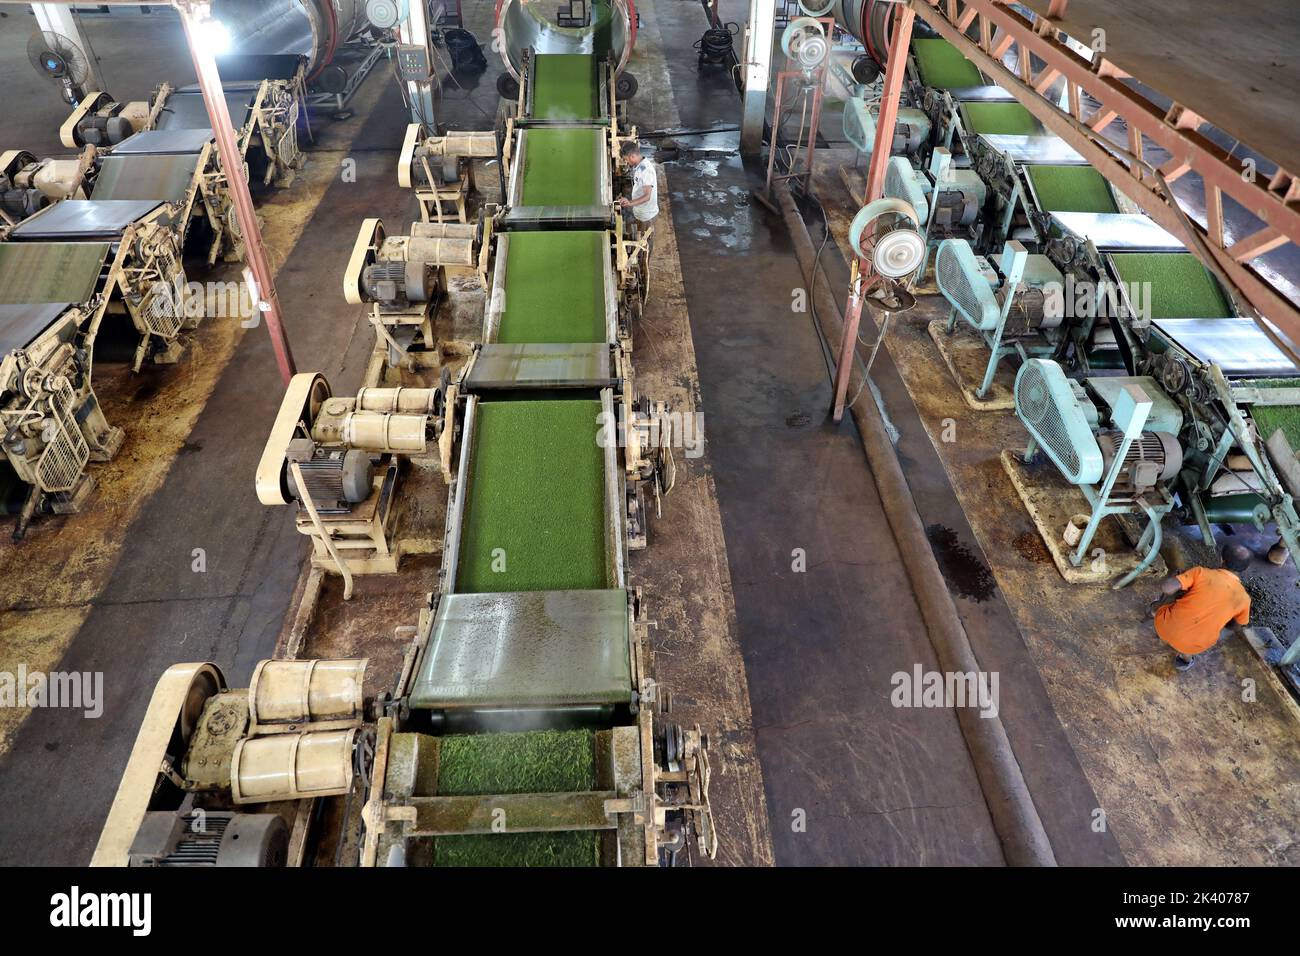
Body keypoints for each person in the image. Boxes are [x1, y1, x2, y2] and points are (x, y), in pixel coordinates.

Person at [1147, 543, 1252, 671]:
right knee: (1193, 643)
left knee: (1178, 590)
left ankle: (1154, 611)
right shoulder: (1244, 599)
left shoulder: (1201, 572)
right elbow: (1235, 627)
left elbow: (1167, 588)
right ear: (1244, 569)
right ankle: (1185, 661)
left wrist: (1176, 577)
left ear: (1221, 559)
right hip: (1196, 644)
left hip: (1163, 627)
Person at [618, 141, 659, 252]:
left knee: (645, 244)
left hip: (647, 215)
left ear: (633, 156)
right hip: (640, 212)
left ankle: (644, 265)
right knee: (638, 235)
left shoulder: (646, 171)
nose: (626, 162)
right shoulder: (639, 166)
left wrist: (629, 203)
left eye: (626, 159)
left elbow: (647, 196)